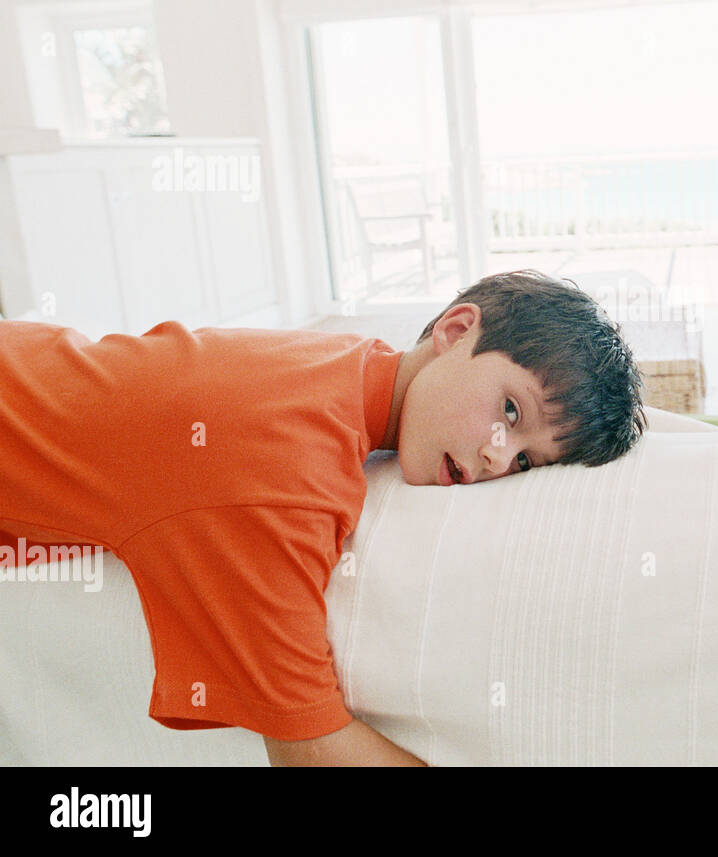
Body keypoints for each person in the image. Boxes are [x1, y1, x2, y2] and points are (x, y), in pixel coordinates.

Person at [0, 269, 645, 765]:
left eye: (527, 463)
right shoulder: (290, 474)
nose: (495, 457)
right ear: (454, 331)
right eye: (510, 410)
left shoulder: (345, 363)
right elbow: (309, 748)